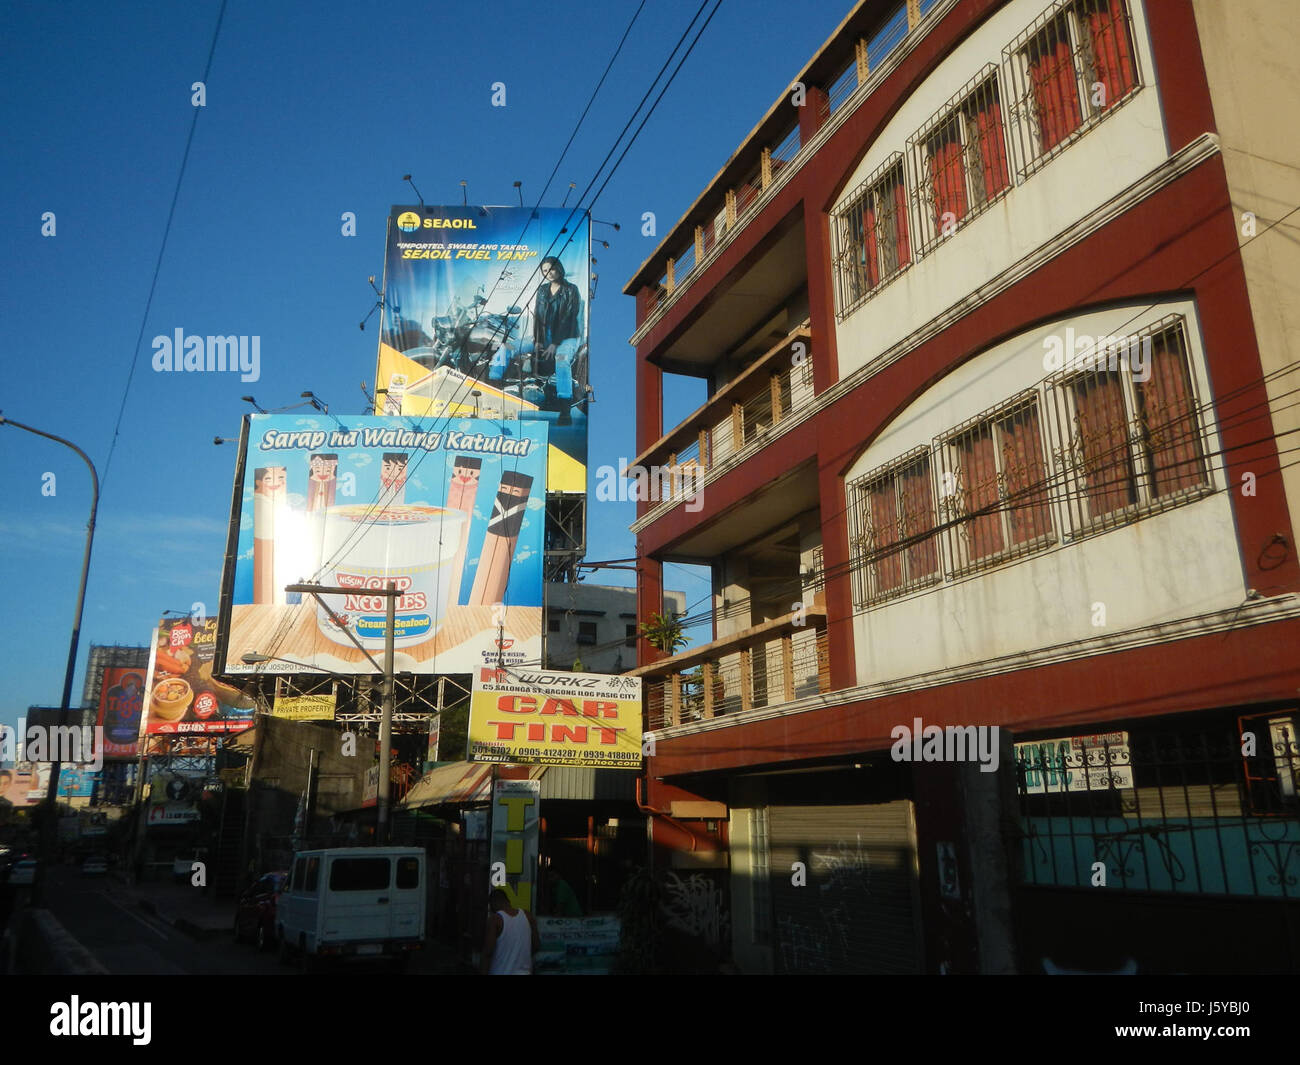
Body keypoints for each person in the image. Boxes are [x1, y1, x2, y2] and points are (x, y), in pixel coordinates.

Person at [531, 257, 581, 378]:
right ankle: (494, 381)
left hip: (567, 336)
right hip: (544, 333)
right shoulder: (542, 290)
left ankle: (564, 395)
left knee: (561, 360)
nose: (549, 273)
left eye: (552, 269)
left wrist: (555, 343)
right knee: (508, 347)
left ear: (559, 268)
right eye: (545, 270)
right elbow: (537, 316)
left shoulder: (571, 289)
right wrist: (538, 340)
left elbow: (569, 318)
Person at [481, 888, 539, 975]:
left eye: (491, 906)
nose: (491, 910)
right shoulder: (528, 916)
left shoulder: (495, 919)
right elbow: (536, 946)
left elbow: (488, 952)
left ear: (494, 903)